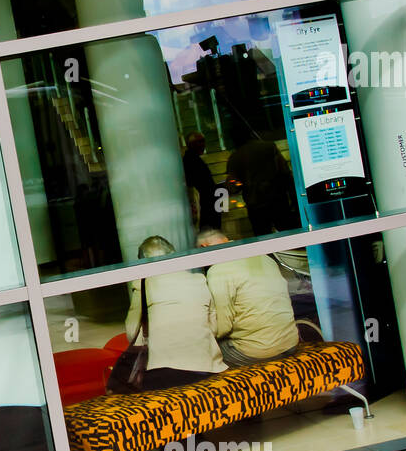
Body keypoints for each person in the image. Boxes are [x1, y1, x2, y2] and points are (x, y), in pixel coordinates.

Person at [119, 236, 227, 391]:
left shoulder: (143, 285)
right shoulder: (199, 280)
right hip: (207, 368)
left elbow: (133, 334)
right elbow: (213, 328)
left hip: (163, 374)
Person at [198, 228, 300, 366]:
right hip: (291, 342)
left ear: (203, 247)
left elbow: (223, 327)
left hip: (257, 352)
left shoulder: (218, 270)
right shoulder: (263, 258)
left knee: (204, 353)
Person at [225, 137, 299, 236]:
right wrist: (294, 197)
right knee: (287, 234)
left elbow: (233, 186)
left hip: (256, 205)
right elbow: (285, 173)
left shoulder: (235, 157)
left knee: (263, 238)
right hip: (278, 199)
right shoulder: (269, 147)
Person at [182, 132, 220, 230]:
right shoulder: (191, 160)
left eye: (203, 141)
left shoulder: (192, 159)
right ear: (190, 144)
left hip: (206, 203)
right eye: (199, 142)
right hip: (204, 204)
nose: (203, 144)